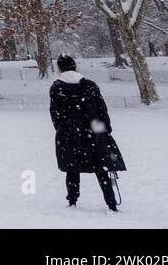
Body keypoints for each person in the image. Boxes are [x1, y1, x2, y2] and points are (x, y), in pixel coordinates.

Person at [50, 55, 124, 211]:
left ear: (60, 68)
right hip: (94, 133)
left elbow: (55, 114)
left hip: (69, 135)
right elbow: (102, 110)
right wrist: (106, 131)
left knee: (72, 169)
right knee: (102, 168)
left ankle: (72, 200)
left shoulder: (57, 87)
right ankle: (111, 203)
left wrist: (62, 128)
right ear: (75, 66)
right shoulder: (90, 85)